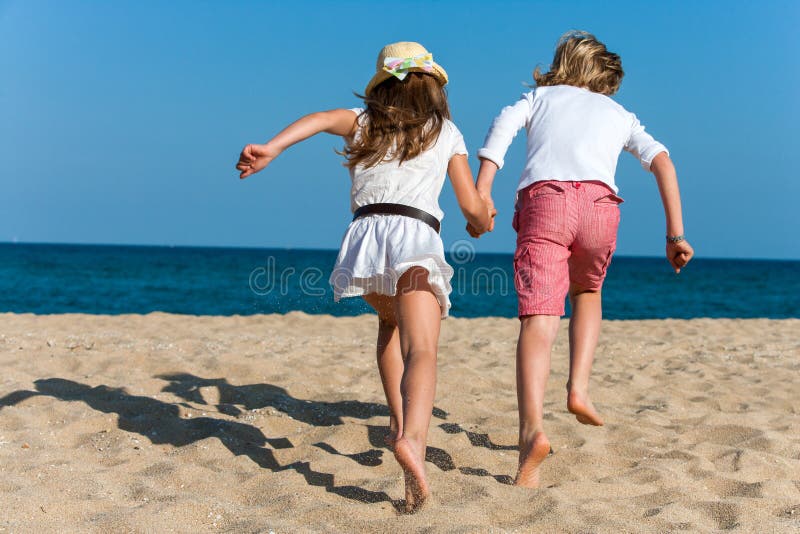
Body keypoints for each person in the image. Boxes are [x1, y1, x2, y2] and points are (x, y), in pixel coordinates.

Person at [236, 41, 493, 511]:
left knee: (390, 326)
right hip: (415, 238)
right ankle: (412, 438)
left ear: (381, 87)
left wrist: (271, 148)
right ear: (434, 88)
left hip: (365, 242)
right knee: (424, 347)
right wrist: (483, 217)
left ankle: (396, 422)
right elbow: (472, 207)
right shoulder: (446, 131)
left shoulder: (364, 123)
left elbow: (316, 120)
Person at [468, 31, 694, 488]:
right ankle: (579, 390)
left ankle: (532, 431)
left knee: (540, 317)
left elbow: (500, 131)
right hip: (599, 206)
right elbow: (663, 161)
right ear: (605, 77)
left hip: (545, 200)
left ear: (561, 64)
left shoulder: (538, 97)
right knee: (588, 290)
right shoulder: (619, 113)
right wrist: (675, 235)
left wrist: (483, 191)